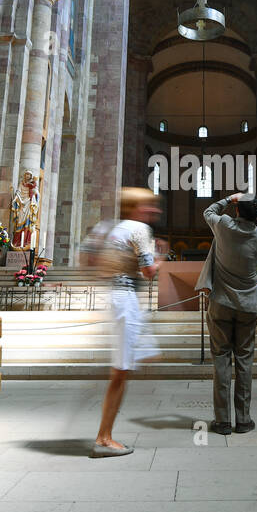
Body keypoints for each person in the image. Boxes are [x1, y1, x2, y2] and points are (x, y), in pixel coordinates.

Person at [91, 187, 162, 458]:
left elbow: (91, 260)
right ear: (135, 207)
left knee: (127, 366)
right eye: (148, 205)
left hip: (116, 296)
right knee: (120, 371)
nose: (154, 210)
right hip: (126, 300)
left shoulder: (113, 228)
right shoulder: (140, 229)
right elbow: (148, 271)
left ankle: (105, 435)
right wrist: (161, 258)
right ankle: (104, 438)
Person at [196, 192, 257, 435]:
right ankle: (244, 419)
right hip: (249, 305)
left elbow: (208, 212)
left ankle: (222, 421)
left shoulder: (224, 226)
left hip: (221, 303)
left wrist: (229, 199)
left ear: (237, 211)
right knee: (244, 361)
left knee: (221, 359)